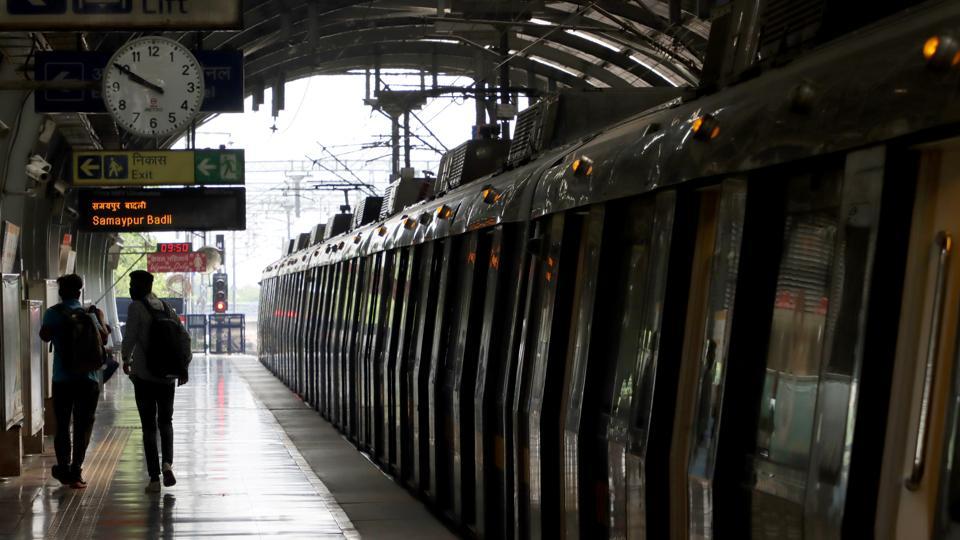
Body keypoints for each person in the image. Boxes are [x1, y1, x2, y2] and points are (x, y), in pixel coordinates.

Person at [39, 274, 107, 489]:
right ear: (79, 293)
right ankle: (76, 471)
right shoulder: (89, 314)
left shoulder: (53, 313)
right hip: (88, 379)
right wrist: (99, 317)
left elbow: (44, 336)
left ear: (60, 292)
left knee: (62, 426)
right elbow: (103, 338)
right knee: (82, 426)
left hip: (62, 378)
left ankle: (64, 468)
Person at [122, 270, 187, 493]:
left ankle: (154, 478)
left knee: (149, 426)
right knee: (166, 421)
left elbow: (129, 337)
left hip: (145, 376)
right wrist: (183, 367)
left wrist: (124, 359)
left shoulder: (136, 307)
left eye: (132, 284)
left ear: (141, 286)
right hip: (167, 377)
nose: (130, 288)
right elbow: (184, 336)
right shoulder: (166, 306)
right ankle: (167, 463)